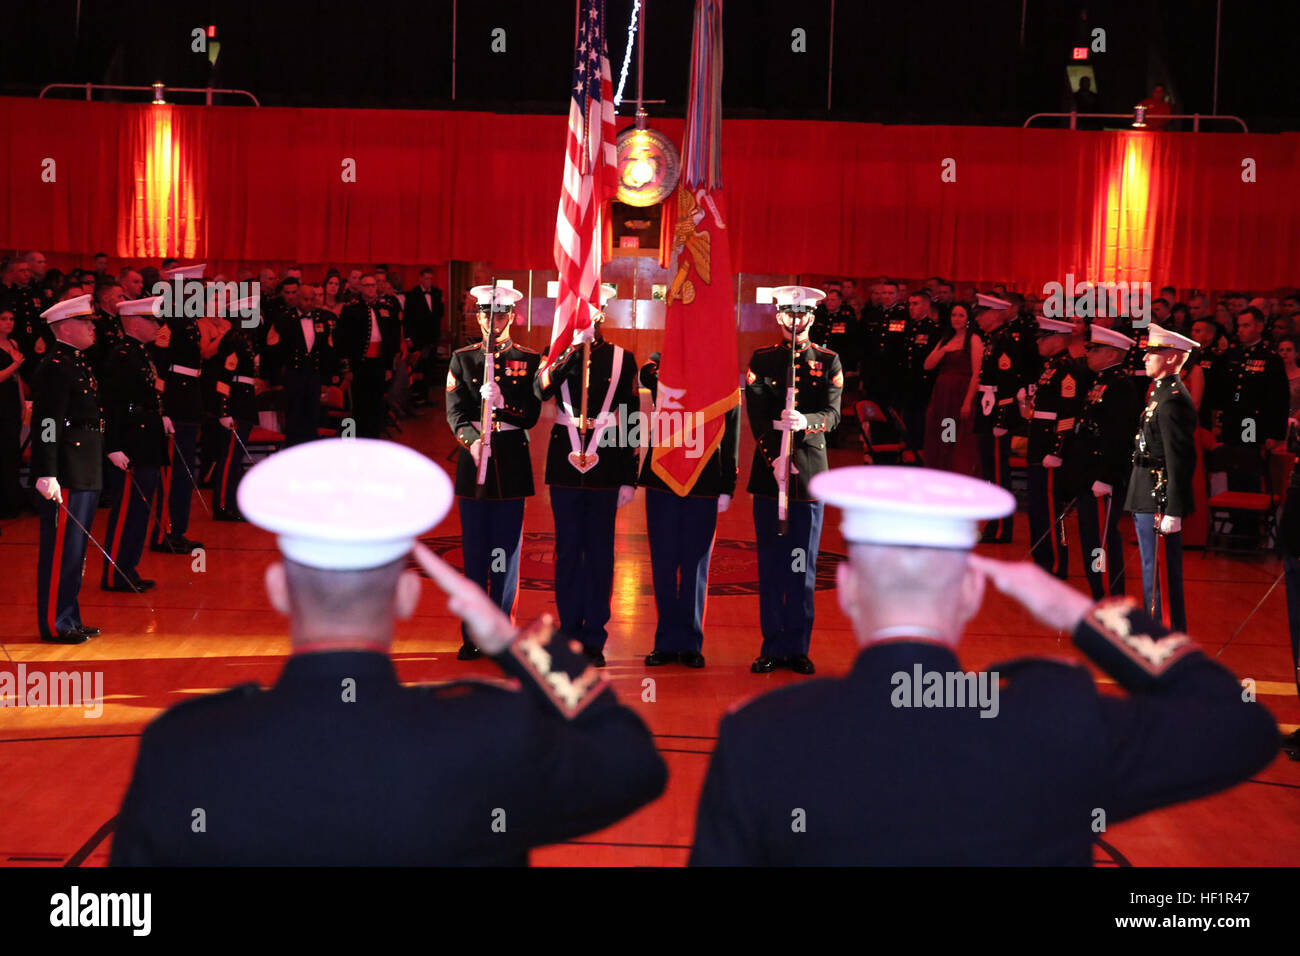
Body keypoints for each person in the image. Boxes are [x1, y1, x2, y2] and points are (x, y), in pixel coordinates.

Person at [109, 438, 666, 865]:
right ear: (406, 596)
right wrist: (517, 643)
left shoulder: (186, 746)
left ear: (278, 588)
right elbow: (634, 761)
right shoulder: (489, 734)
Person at [689, 465, 1278, 865]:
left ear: (842, 588)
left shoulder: (762, 737)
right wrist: (1081, 613)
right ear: (971, 591)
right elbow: (1240, 726)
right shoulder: (1055, 720)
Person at [534, 285, 638, 667]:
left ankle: (594, 634)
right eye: (582, 308)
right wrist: (572, 351)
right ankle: (567, 630)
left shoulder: (622, 358)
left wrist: (630, 475)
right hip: (565, 464)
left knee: (599, 553)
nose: (589, 315)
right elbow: (540, 392)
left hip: (606, 464)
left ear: (603, 312)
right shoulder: (557, 353)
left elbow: (629, 417)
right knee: (567, 553)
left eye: (595, 308)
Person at [745, 286, 842, 675]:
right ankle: (771, 646)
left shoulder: (828, 360)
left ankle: (797, 647)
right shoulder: (763, 359)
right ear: (779, 317)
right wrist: (775, 459)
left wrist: (809, 422)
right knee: (770, 565)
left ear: (813, 318)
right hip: (771, 474)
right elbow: (755, 414)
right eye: (788, 313)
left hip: (809, 477)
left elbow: (833, 415)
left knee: (803, 567)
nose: (796, 319)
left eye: (803, 313)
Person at [446, 285, 541, 660]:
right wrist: (471, 441)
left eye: (499, 314)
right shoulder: (462, 359)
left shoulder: (528, 359)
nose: (491, 321)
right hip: (474, 463)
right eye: (485, 314)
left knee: (506, 554)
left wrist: (504, 404)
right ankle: (473, 634)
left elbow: (531, 414)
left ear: (512, 317)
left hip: (511, 463)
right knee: (474, 554)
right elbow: (454, 412)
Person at [639, 352, 741, 669]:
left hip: (705, 479)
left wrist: (727, 484)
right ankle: (666, 641)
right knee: (665, 564)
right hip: (663, 479)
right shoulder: (660, 366)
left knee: (696, 566)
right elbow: (647, 377)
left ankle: (691, 642)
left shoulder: (722, 376)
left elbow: (732, 430)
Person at [31, 295, 104, 644]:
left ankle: (70, 617)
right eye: (85, 322)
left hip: (85, 465)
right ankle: (55, 623)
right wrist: (47, 471)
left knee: (76, 552)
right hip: (67, 468)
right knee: (62, 550)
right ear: (65, 327)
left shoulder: (77, 363)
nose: (92, 327)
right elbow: (47, 422)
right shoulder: (55, 367)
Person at [1125, 324, 1198, 631]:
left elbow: (1179, 459)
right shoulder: (1159, 393)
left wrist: (1174, 510)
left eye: (1153, 352)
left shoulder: (1173, 400)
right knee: (1150, 570)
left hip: (1159, 495)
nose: (1145, 358)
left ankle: (1163, 638)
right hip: (1146, 489)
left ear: (1171, 358)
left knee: (1159, 574)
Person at [100, 296, 170, 593]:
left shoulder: (141, 354)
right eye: (151, 320)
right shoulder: (121, 356)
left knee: (141, 509)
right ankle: (116, 572)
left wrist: (161, 416)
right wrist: (113, 445)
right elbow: (112, 404)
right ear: (133, 322)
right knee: (127, 509)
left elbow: (150, 394)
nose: (157, 325)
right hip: (130, 441)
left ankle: (129, 566)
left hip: (147, 439)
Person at [1073, 325, 1143, 599]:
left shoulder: (1121, 387)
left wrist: (1106, 476)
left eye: (1095, 349)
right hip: (1088, 473)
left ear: (1113, 353)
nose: (1088, 353)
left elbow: (1119, 435)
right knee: (1091, 539)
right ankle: (1098, 595)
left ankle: (1107, 598)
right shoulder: (1100, 382)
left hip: (1103, 476)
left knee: (1101, 542)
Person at [149, 264, 207, 556]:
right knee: (172, 471)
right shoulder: (169, 321)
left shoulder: (188, 320)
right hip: (175, 400)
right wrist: (163, 407)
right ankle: (165, 533)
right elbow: (159, 365)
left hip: (189, 398)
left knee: (184, 471)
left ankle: (177, 530)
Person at [1025, 316, 1088, 579]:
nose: (1038, 342)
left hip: (1051, 448)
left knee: (1051, 510)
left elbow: (1068, 414)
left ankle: (1053, 566)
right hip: (1039, 443)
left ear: (1056, 338)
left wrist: (1057, 450)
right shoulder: (1050, 367)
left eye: (1042, 337)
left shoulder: (1066, 370)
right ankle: (1040, 561)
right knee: (1038, 506)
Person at [972, 294, 1029, 543]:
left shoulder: (1004, 341)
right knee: (990, 472)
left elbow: (1007, 385)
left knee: (997, 472)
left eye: (982, 313)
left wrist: (1002, 420)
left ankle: (1000, 529)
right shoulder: (992, 340)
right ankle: (993, 525)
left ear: (995, 313)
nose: (978, 318)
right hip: (988, 408)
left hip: (997, 413)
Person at [209, 295, 261, 521]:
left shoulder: (245, 340)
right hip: (236, 402)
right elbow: (224, 377)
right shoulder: (233, 340)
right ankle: (221, 505)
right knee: (229, 458)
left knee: (235, 458)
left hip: (245, 401)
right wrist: (224, 411)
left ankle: (231, 502)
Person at [922, 301, 982, 474]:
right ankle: (943, 468)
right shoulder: (946, 338)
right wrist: (945, 350)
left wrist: (968, 402)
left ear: (968, 319)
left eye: (961, 315)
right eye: (954, 315)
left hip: (961, 393)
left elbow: (976, 374)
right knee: (944, 432)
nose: (956, 319)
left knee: (958, 435)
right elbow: (928, 365)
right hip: (943, 394)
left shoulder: (974, 340)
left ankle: (957, 471)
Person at [337, 274, 400, 438]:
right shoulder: (351, 309)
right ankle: (357, 439)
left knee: (377, 404)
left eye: (373, 285)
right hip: (359, 365)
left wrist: (388, 366)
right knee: (359, 406)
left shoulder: (385, 308)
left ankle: (374, 439)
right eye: (366, 285)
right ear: (360, 288)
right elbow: (342, 340)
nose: (370, 288)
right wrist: (346, 368)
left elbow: (392, 340)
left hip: (378, 363)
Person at [0, 309, 24, 519]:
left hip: (11, 402)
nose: (8, 323)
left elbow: (16, 378)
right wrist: (15, 363)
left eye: (11, 319)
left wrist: (22, 403)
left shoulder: (13, 344)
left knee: (12, 452)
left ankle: (12, 501)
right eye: (3, 319)